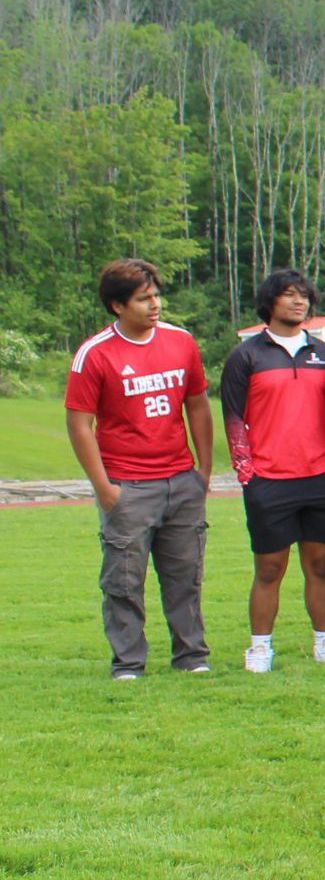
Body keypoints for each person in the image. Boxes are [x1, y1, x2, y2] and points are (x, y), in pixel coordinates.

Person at [66, 258, 214, 679]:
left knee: (185, 576)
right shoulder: (94, 354)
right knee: (124, 580)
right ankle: (128, 663)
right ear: (117, 306)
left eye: (156, 295)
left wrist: (203, 470)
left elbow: (198, 403)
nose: (155, 305)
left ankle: (192, 657)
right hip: (127, 483)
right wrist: (104, 488)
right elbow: (79, 422)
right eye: (143, 298)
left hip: (181, 480)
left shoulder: (181, 341)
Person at [225, 269, 325, 671]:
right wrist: (249, 474)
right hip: (269, 480)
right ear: (270, 302)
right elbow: (233, 419)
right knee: (269, 568)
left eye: (304, 296)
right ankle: (260, 647)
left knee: (319, 566)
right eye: (289, 295)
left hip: (322, 478)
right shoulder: (246, 356)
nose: (299, 302)